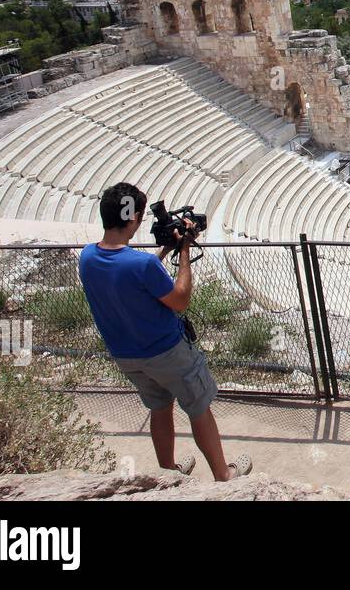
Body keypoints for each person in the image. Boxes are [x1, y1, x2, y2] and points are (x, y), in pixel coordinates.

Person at [79, 182, 252, 481]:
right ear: (131, 218)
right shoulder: (142, 264)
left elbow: (131, 278)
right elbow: (180, 299)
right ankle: (224, 476)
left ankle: (168, 475)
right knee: (199, 408)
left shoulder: (88, 257)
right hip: (167, 352)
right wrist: (183, 251)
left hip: (127, 356)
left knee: (159, 408)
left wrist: (164, 251)